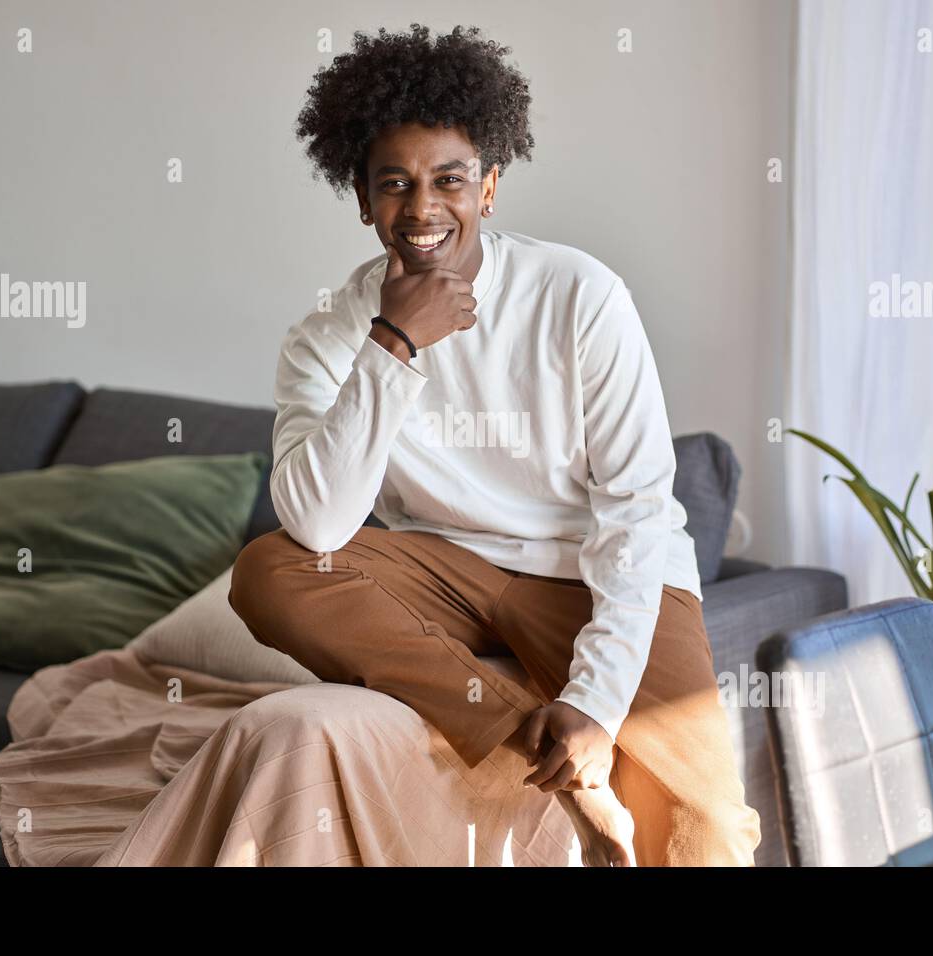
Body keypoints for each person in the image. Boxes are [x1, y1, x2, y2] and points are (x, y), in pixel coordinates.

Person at [228, 23, 761, 867]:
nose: (422, 207)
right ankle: (536, 753)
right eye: (394, 184)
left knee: (706, 836)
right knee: (269, 571)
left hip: (598, 573)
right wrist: (392, 346)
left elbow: (636, 510)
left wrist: (594, 706)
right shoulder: (327, 336)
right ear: (363, 200)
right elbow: (319, 528)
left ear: (489, 190)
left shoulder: (580, 295)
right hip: (447, 568)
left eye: (449, 179)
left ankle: (572, 744)